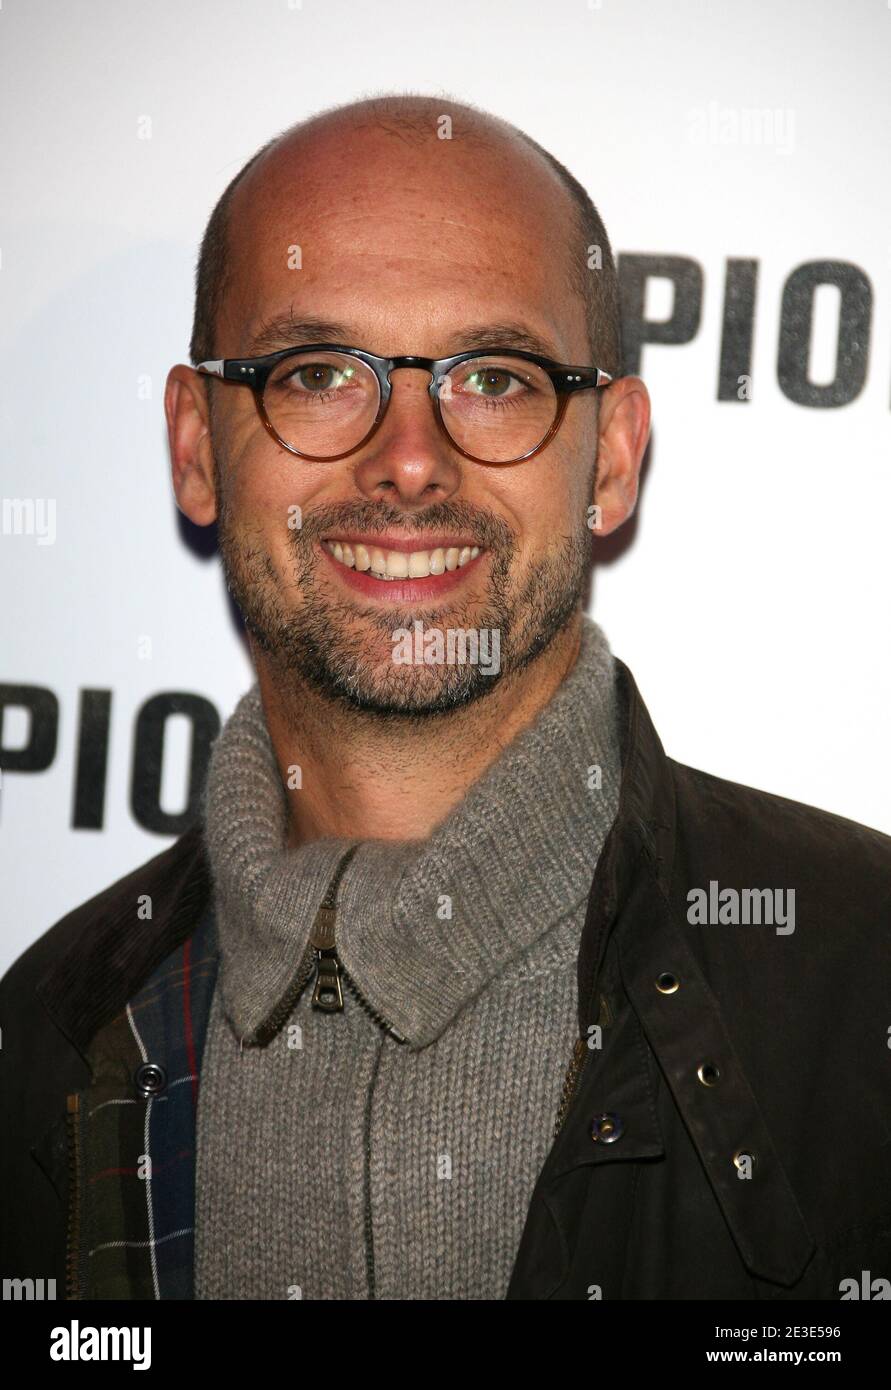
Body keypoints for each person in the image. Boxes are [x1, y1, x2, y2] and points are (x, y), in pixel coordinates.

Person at [2, 92, 889, 1302]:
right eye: (317, 372)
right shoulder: (46, 1038)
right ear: (197, 448)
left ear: (613, 459)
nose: (409, 457)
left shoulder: (864, 975)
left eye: (496, 376)